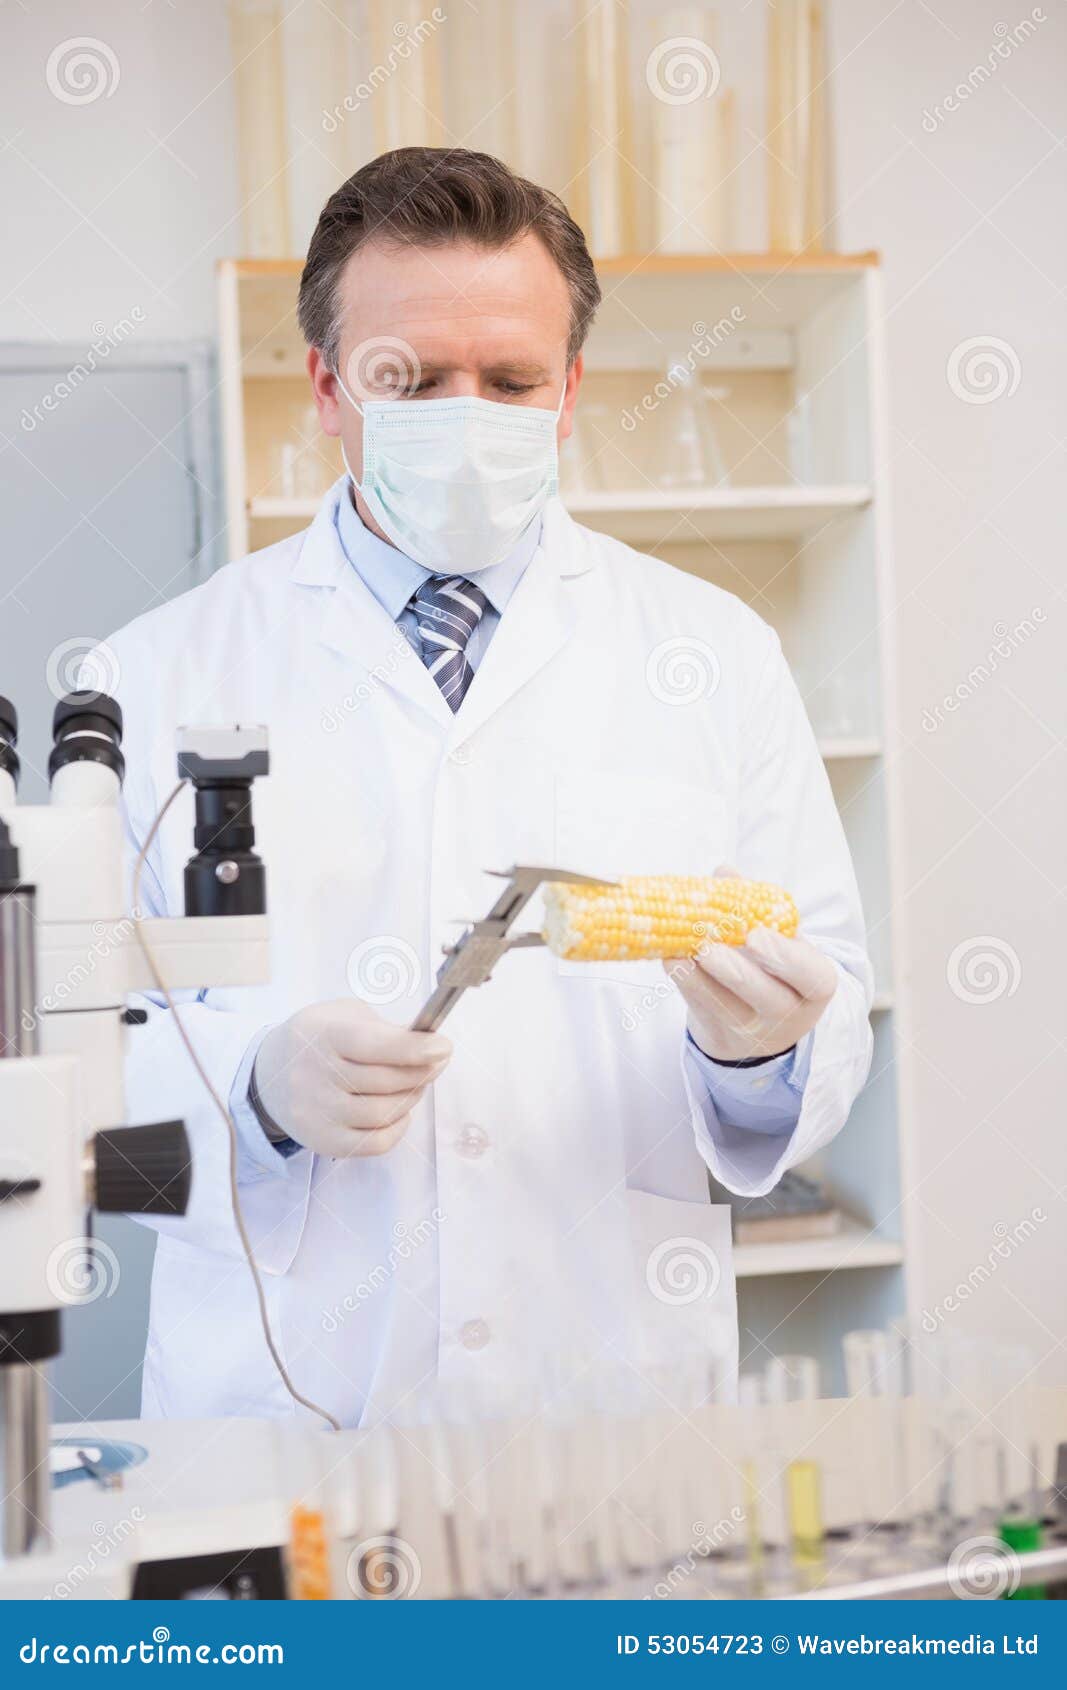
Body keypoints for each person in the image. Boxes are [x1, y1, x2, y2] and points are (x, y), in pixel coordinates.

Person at [105, 147, 872, 1426]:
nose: (465, 417)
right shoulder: (156, 669)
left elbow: (825, 1002)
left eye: (510, 381)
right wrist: (254, 1091)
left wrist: (763, 1054)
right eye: (409, 378)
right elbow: (71, 1081)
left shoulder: (713, 653)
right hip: (282, 1414)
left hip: (604, 1404)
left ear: (567, 393)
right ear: (327, 387)